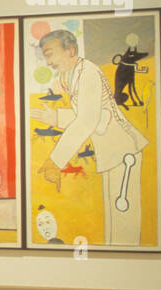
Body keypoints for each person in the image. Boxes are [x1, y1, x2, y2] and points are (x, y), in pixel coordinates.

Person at [31, 30, 148, 245]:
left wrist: (54, 162)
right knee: (115, 223)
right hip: (113, 155)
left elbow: (87, 121)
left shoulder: (88, 74)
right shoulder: (72, 75)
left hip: (124, 154)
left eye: (50, 54)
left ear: (71, 50)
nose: (48, 62)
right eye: (45, 56)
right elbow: (88, 116)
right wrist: (55, 116)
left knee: (123, 224)